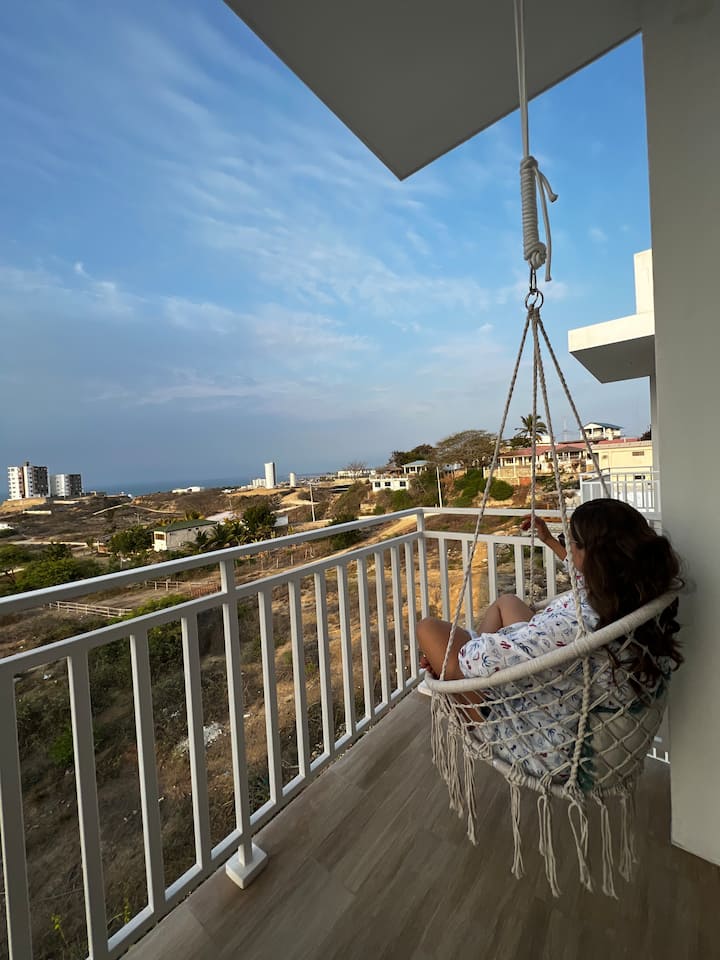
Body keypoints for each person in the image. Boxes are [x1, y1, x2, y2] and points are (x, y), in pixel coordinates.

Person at [417, 498, 683, 779]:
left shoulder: (574, 621)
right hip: (563, 685)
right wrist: (547, 540)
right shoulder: (628, 592)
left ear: (595, 557)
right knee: (507, 602)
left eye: (572, 541)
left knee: (428, 630)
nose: (566, 543)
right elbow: (582, 577)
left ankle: (473, 689)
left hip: (544, 738)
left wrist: (451, 664)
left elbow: (473, 659)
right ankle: (477, 672)